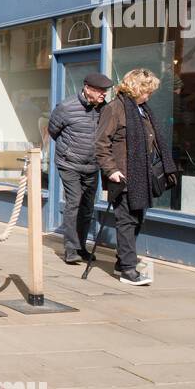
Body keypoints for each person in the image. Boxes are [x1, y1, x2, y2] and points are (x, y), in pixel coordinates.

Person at [95, 68, 177, 286]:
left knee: (137, 219)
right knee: (126, 220)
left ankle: (123, 262)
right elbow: (101, 143)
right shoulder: (115, 109)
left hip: (141, 175)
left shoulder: (142, 110)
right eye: (147, 91)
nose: (149, 96)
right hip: (122, 175)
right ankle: (128, 270)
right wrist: (111, 170)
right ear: (136, 88)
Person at [48, 72, 114, 264]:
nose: (104, 94)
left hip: (92, 165)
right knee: (74, 202)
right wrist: (69, 151)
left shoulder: (105, 109)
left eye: (105, 91)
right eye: (100, 90)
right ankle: (70, 249)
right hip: (69, 163)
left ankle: (81, 247)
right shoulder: (66, 107)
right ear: (87, 89)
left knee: (87, 207)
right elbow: (53, 130)